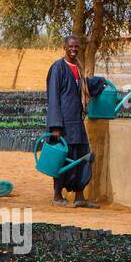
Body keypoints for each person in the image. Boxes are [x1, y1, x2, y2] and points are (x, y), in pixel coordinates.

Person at [45, 35, 96, 208]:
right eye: (70, 46)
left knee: (82, 157)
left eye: (76, 47)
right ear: (64, 47)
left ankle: (80, 196)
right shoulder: (58, 68)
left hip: (77, 121)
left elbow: (85, 88)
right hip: (63, 123)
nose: (73, 49)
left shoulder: (79, 69)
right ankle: (57, 195)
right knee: (61, 158)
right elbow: (53, 98)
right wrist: (55, 127)